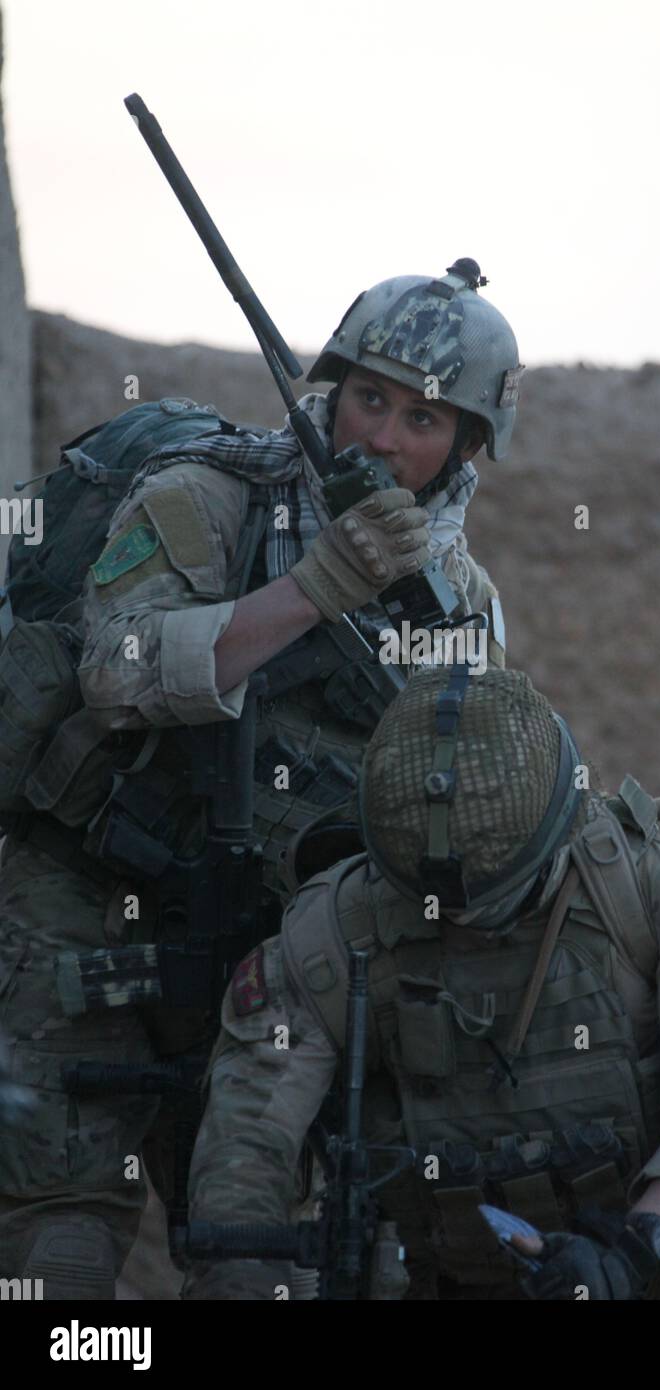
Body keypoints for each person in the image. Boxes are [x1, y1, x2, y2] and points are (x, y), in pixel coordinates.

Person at [0, 259, 520, 1298]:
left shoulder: (459, 602)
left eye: (422, 419)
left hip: (274, 960)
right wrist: (311, 589)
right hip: (94, 901)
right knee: (57, 1246)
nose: (380, 437)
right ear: (327, 388)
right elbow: (118, 673)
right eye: (368, 398)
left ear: (465, 445)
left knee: (252, 1259)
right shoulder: (205, 491)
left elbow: (454, 792)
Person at [182, 666, 660, 1301]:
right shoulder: (328, 937)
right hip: (440, 1276)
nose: (461, 922)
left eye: (496, 902)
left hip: (645, 1264)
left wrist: (629, 1253)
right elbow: (248, 1147)